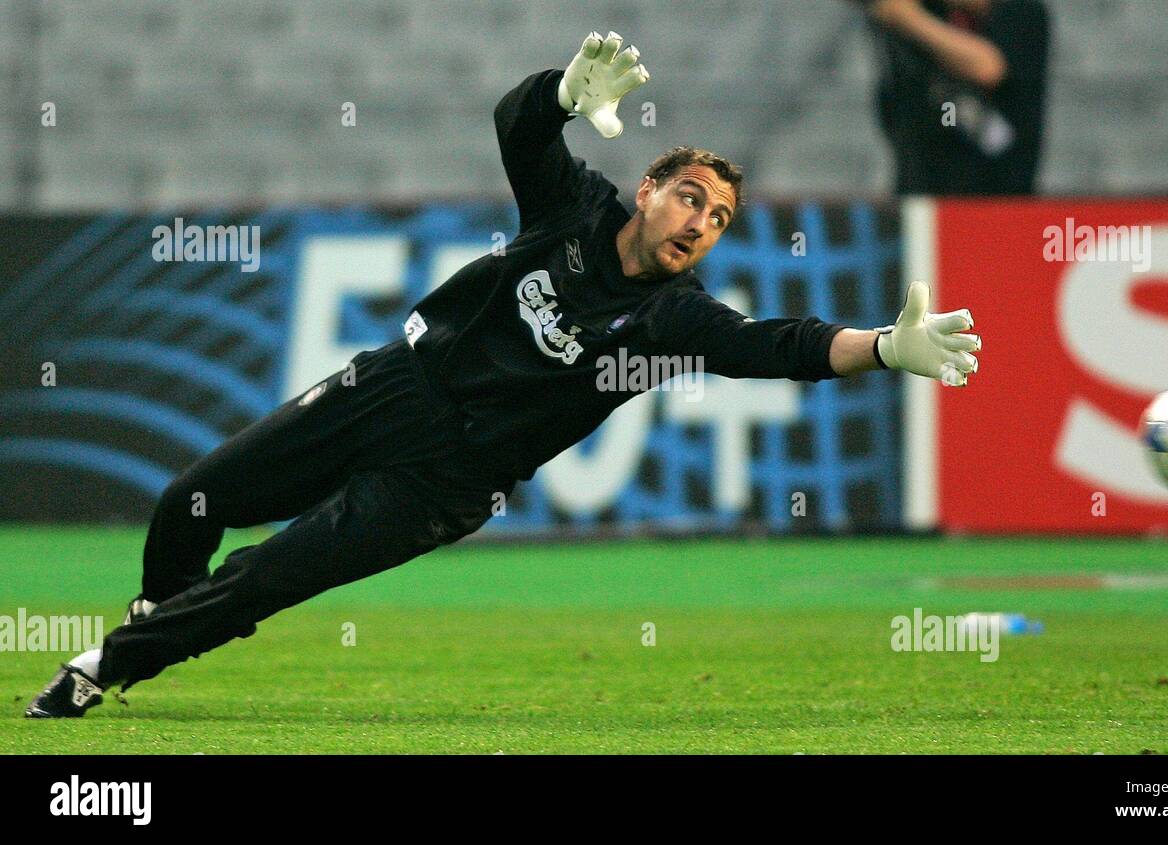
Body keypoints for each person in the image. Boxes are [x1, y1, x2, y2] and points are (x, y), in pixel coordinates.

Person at [26, 31, 980, 718]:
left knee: (271, 572)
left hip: (447, 480)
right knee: (195, 498)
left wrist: (885, 347)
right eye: (690, 196)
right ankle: (162, 613)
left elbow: (781, 345)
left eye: (720, 217)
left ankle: (107, 666)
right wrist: (560, 98)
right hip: (393, 385)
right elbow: (520, 130)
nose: (700, 222)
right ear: (648, 191)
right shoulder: (572, 209)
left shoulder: (673, 318)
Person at [862, 0, 1050, 195]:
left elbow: (988, 68)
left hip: (1001, 194)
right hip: (922, 191)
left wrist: (908, 18)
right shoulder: (931, 12)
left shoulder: (1022, 10)